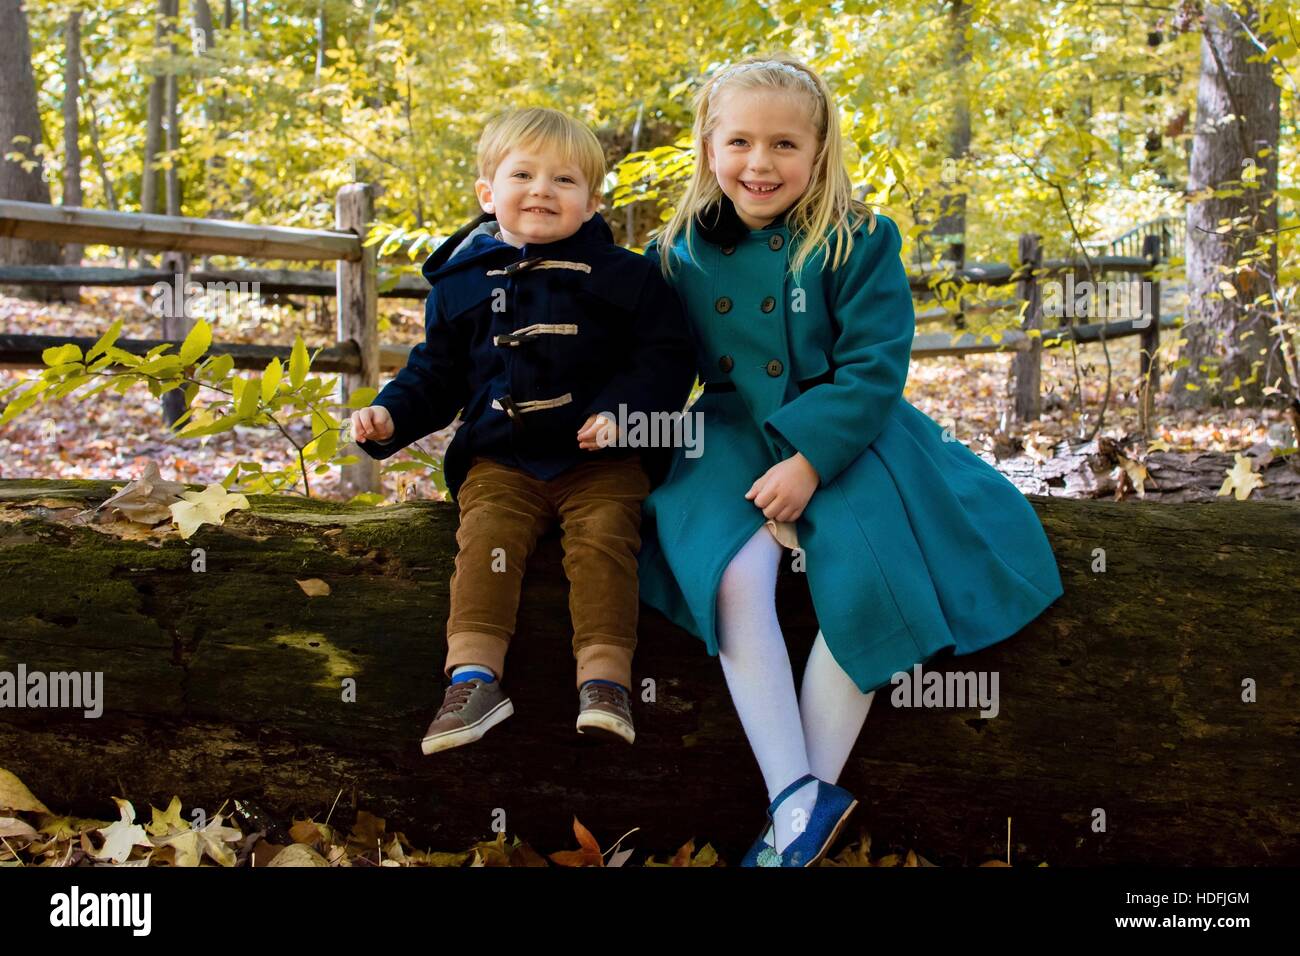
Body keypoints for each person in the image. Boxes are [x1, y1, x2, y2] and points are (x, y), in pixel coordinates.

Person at [636, 54, 1065, 866]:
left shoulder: (859, 238)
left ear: (820, 149)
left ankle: (794, 820)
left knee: (868, 579)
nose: (759, 164)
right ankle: (796, 798)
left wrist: (809, 459)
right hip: (724, 433)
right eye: (739, 142)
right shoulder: (679, 249)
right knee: (728, 570)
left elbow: (874, 366)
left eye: (784, 145)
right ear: (708, 145)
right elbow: (657, 359)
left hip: (848, 429)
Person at [350, 107, 695, 755]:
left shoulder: (628, 278)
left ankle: (605, 681)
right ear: (488, 193)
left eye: (564, 181)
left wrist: (623, 414)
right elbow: (436, 375)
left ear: (592, 203)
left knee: (603, 538)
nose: (542, 189)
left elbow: (665, 358)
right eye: (524, 174)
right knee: (485, 536)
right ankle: (474, 681)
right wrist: (391, 416)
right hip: (502, 458)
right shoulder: (459, 283)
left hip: (602, 460)